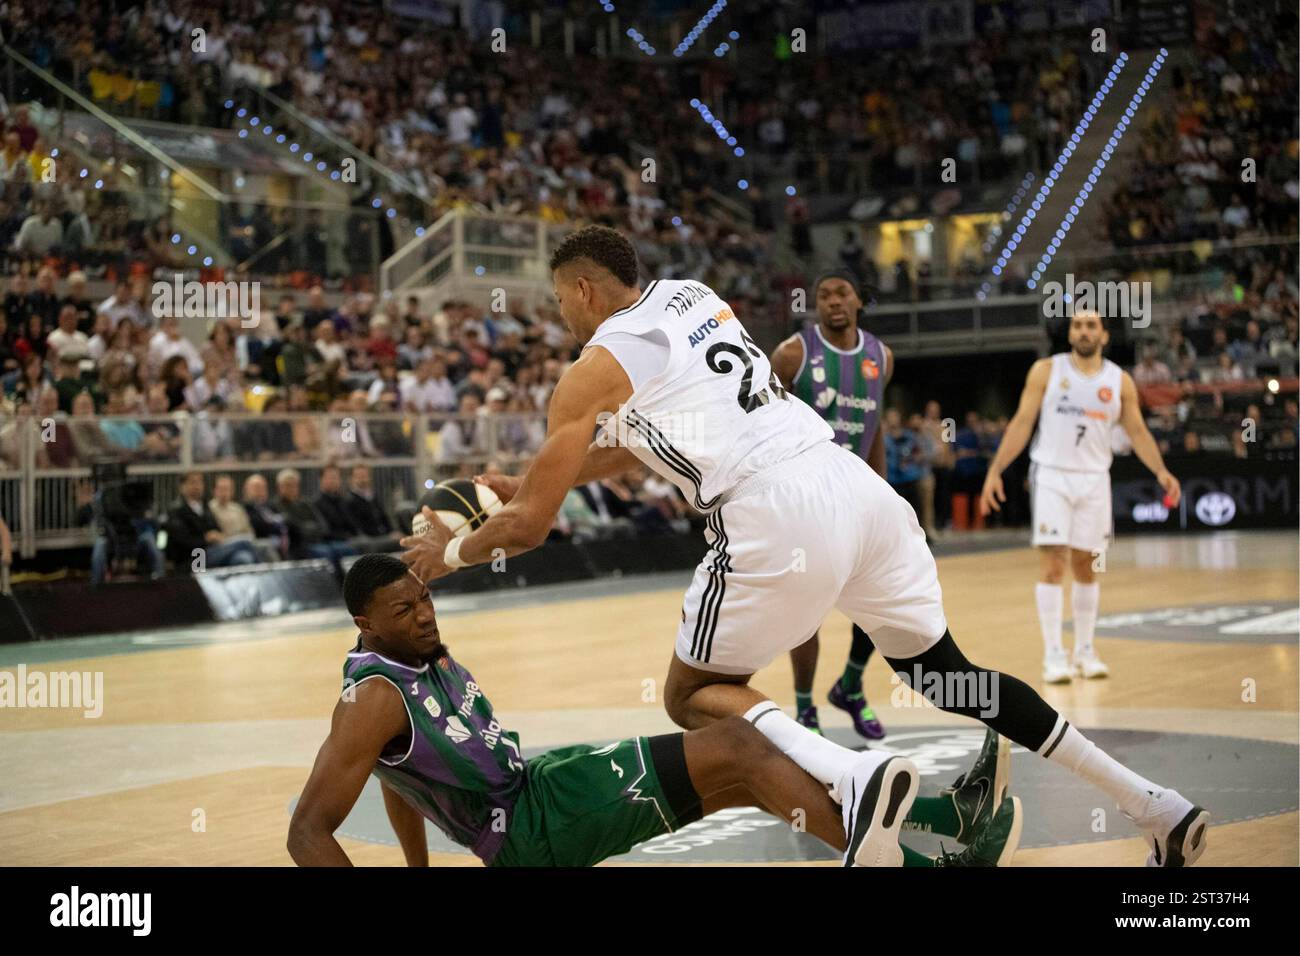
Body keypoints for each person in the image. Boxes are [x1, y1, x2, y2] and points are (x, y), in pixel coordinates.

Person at [400, 226, 1209, 867]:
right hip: (853, 488)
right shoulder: (693, 298)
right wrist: (549, 470)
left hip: (770, 510)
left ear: (582, 290)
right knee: (950, 677)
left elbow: (531, 528)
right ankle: (1158, 808)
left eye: (560, 302)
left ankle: (858, 779)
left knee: (692, 694)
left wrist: (453, 556)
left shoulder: (590, 367)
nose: (560, 318)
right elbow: (653, 437)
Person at [288, 554, 1022, 867]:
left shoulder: (418, 658)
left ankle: (941, 828)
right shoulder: (370, 700)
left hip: (542, 787)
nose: (423, 614)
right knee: (737, 743)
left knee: (750, 777)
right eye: (403, 608)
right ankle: (941, 837)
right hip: (532, 828)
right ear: (366, 624)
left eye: (424, 597)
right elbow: (306, 832)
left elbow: (397, 776)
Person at [980, 309, 1183, 684]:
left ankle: (1086, 650)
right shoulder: (1046, 371)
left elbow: (1137, 432)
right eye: (1077, 325)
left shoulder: (1119, 381)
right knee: (1054, 563)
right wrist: (995, 470)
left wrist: (1161, 471)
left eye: (1091, 325)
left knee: (1087, 566)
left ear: (1104, 335)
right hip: (1053, 475)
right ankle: (1054, 654)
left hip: (1094, 479)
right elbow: (1022, 422)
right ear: (1070, 333)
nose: (1084, 331)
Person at [768, 271, 890, 738]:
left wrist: (882, 490)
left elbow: (874, 424)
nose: (834, 301)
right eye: (824, 295)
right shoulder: (792, 354)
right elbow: (763, 421)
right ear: (815, 304)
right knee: (808, 611)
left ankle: (852, 686)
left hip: (858, 499)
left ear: (859, 298)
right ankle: (805, 709)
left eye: (843, 292)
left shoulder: (882, 356)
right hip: (804, 501)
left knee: (881, 604)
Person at [165, 471, 259, 570]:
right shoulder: (176, 510)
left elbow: (216, 528)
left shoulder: (205, 507)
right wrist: (206, 539)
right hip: (194, 556)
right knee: (245, 543)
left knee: (243, 559)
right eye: (192, 482)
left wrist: (217, 535)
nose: (197, 486)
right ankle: (262, 575)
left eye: (199, 482)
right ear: (182, 486)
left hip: (213, 551)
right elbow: (182, 540)